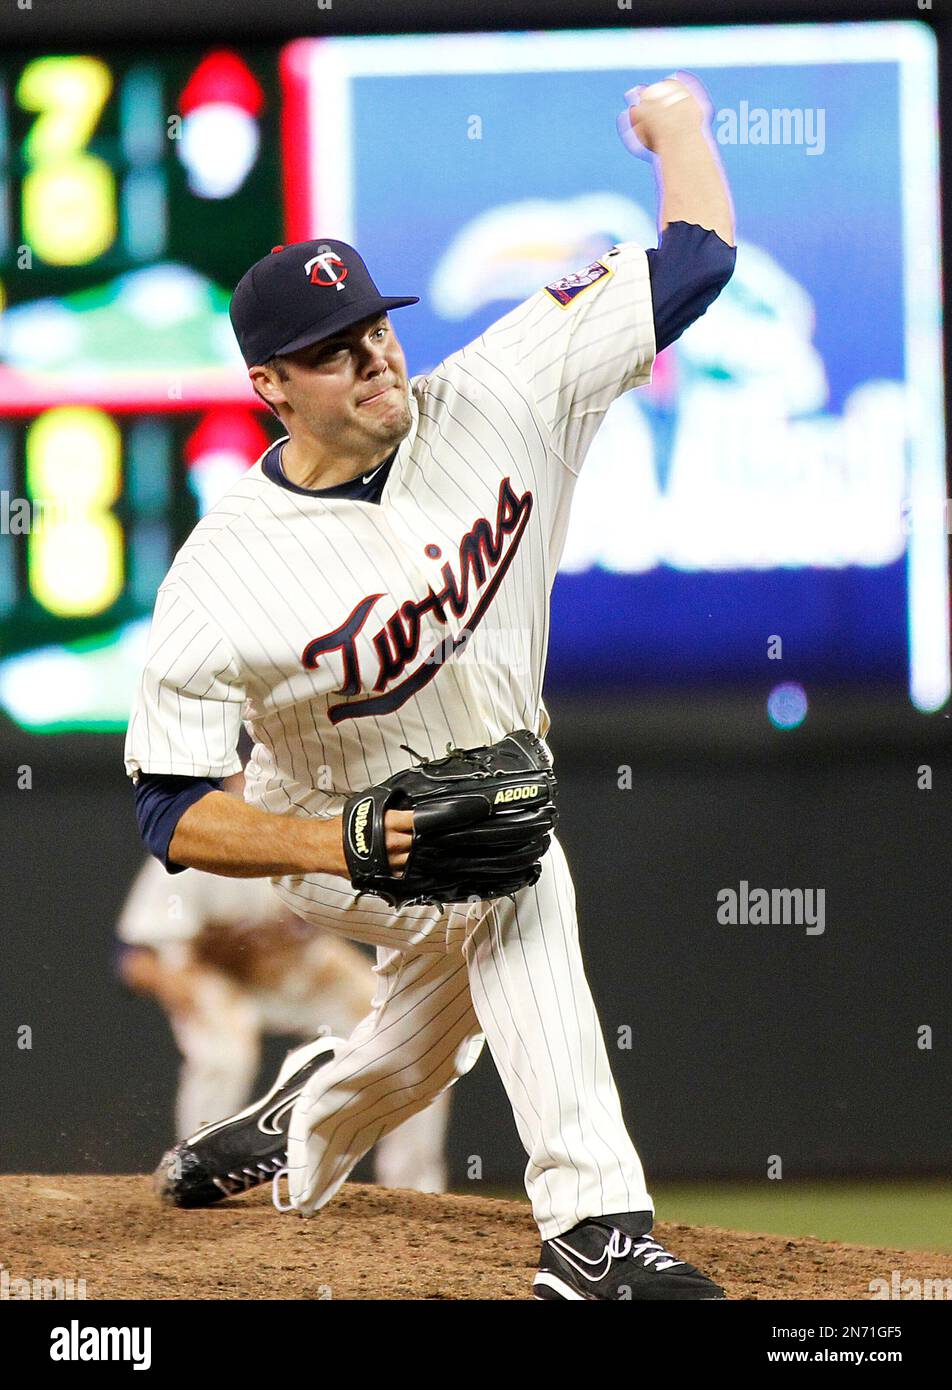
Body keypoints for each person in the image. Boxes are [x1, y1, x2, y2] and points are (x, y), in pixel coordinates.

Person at [125, 73, 736, 1299]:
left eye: (374, 327)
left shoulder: (500, 392)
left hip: (490, 783)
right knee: (522, 875)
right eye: (331, 351)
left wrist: (680, 128)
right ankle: (594, 1228)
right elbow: (169, 809)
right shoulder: (223, 571)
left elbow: (696, 261)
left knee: (449, 988)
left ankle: (314, 1103)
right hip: (330, 833)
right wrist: (342, 840)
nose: (372, 358)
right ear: (270, 386)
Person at [117, 773, 452, 1196]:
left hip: (296, 970)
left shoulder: (326, 822)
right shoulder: (202, 840)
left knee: (411, 1030)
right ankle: (195, 1172)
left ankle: (415, 1187)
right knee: (226, 1051)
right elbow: (133, 958)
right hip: (215, 975)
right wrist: (185, 990)